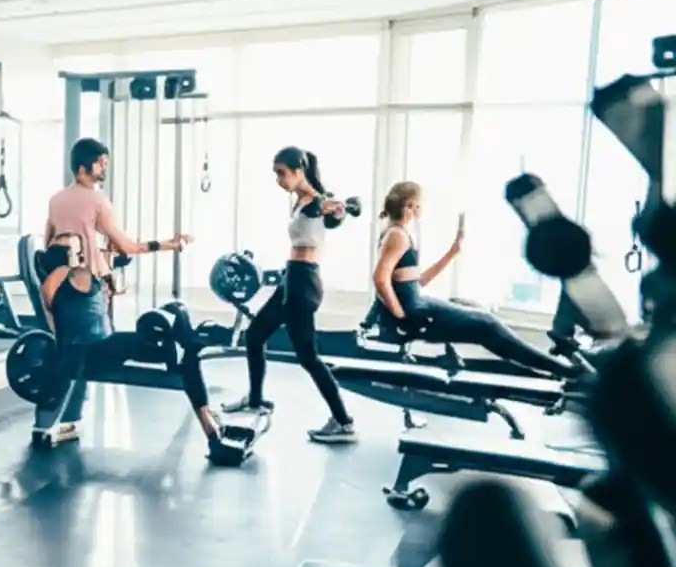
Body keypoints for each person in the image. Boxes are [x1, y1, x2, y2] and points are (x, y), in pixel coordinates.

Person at [37, 234, 246, 462]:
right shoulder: (72, 274)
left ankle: (207, 413)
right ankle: (205, 341)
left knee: (180, 349)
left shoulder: (54, 282)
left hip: (91, 352)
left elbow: (57, 324)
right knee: (169, 317)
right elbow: (112, 266)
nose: (80, 254)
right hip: (96, 352)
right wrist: (162, 246)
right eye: (75, 251)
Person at [41, 137, 191, 440]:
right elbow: (127, 245)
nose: (104, 168)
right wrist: (168, 244)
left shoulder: (56, 199)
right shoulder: (97, 200)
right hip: (86, 288)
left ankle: (57, 420)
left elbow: (49, 244)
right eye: (100, 163)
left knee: (70, 351)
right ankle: (165, 354)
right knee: (97, 351)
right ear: (84, 166)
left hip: (57, 285)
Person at [372, 181, 583, 380]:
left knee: (472, 307)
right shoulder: (397, 236)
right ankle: (563, 370)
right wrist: (401, 317)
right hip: (414, 312)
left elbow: (418, 281)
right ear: (410, 206)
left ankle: (550, 365)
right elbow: (380, 279)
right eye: (421, 204)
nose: (423, 208)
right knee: (486, 325)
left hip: (416, 304)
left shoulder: (397, 233)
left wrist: (452, 252)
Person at [223, 147, 357, 444]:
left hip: (303, 283)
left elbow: (325, 211)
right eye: (275, 174)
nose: (278, 179)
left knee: (308, 356)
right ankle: (255, 399)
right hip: (292, 278)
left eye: (282, 173)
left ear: (300, 170)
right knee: (255, 335)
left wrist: (338, 208)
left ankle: (344, 422)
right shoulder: (302, 202)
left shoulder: (315, 201)